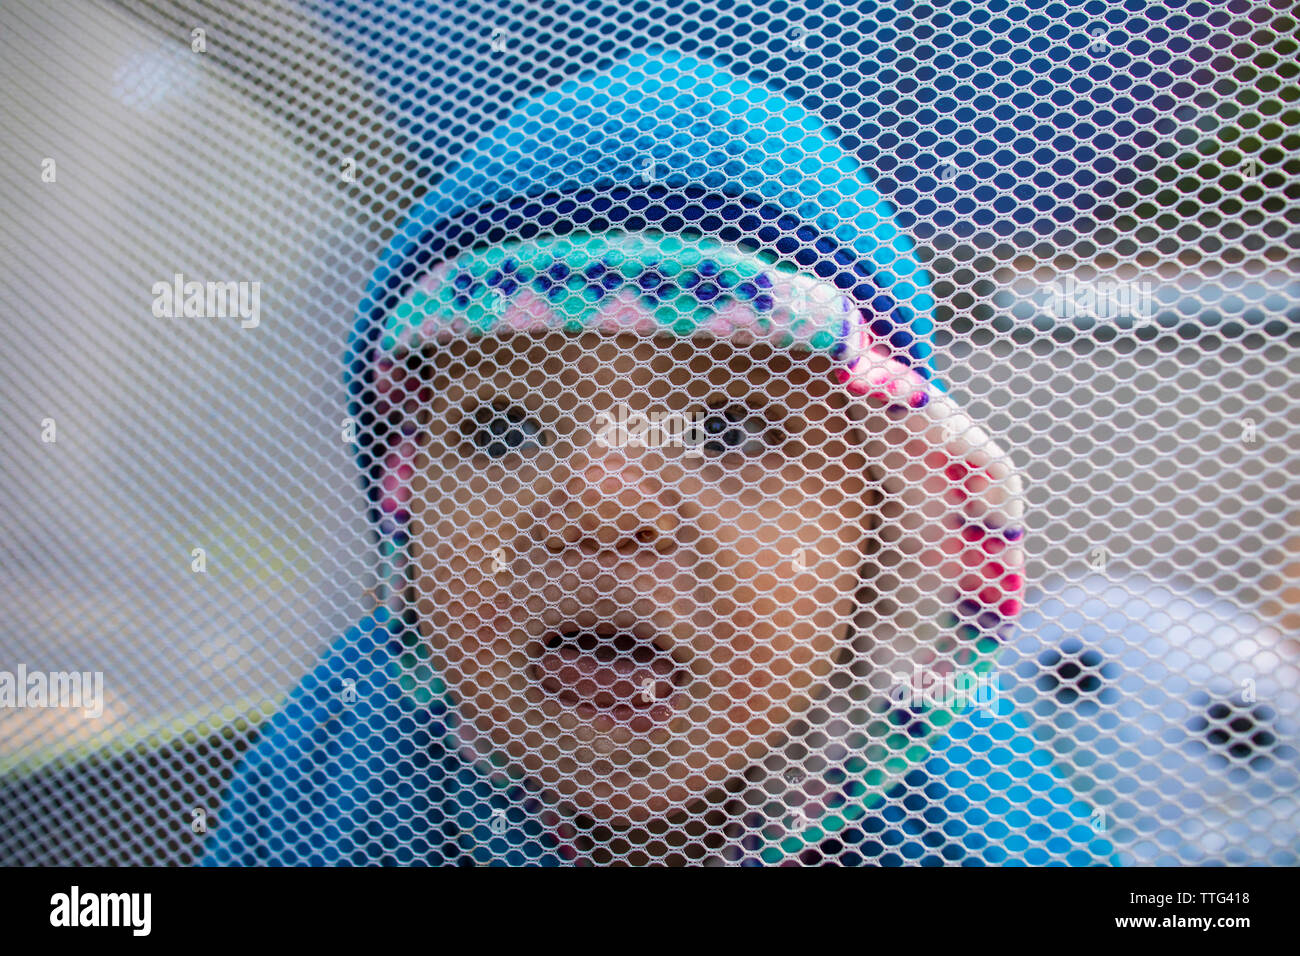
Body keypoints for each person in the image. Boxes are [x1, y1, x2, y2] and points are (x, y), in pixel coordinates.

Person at [201, 49, 1107, 865]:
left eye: (729, 431)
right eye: (502, 431)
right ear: (404, 509)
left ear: (891, 535)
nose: (602, 509)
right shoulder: (339, 758)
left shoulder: (976, 819)